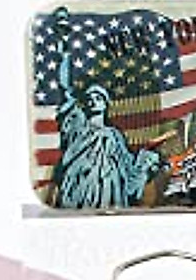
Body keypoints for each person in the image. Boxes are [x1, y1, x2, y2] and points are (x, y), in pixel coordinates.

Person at [51, 54, 160, 209]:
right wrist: (65, 59)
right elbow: (66, 94)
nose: (93, 101)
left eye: (98, 98)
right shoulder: (79, 126)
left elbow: (127, 167)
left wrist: (145, 160)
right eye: (89, 98)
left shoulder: (114, 135)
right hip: (81, 186)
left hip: (110, 188)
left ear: (105, 104)